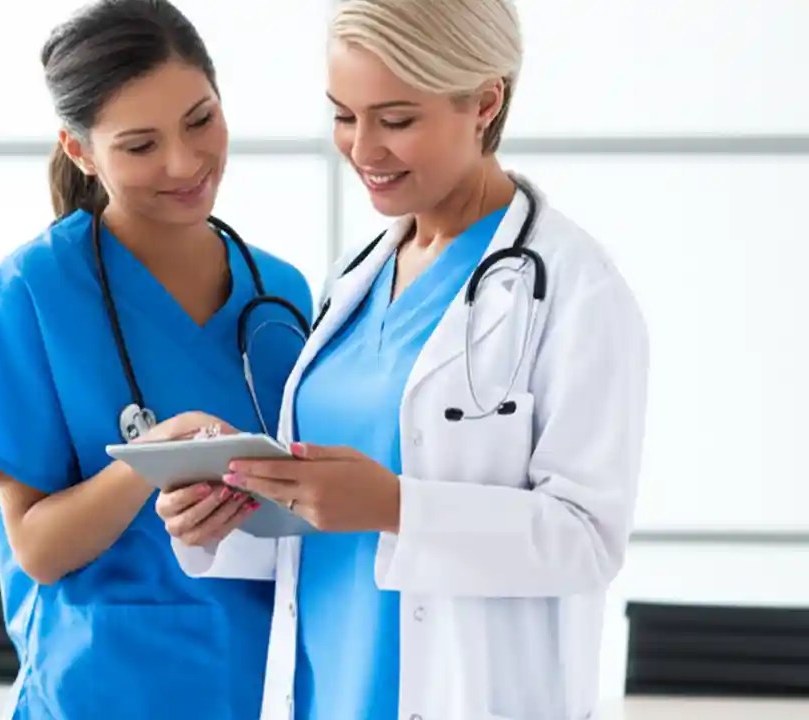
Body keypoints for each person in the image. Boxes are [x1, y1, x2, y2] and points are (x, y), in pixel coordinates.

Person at [156, 1, 650, 718]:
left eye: (395, 120)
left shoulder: (575, 288)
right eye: (343, 115)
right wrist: (229, 509)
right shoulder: (355, 278)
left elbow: (586, 540)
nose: (362, 149)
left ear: (485, 102)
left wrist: (396, 506)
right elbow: (329, 531)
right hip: (323, 693)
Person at [0, 1, 313, 717]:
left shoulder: (281, 292)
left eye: (201, 120)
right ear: (81, 151)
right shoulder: (34, 292)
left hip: (263, 687)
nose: (184, 163)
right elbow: (39, 550)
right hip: (101, 693)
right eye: (140, 145)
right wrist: (152, 459)